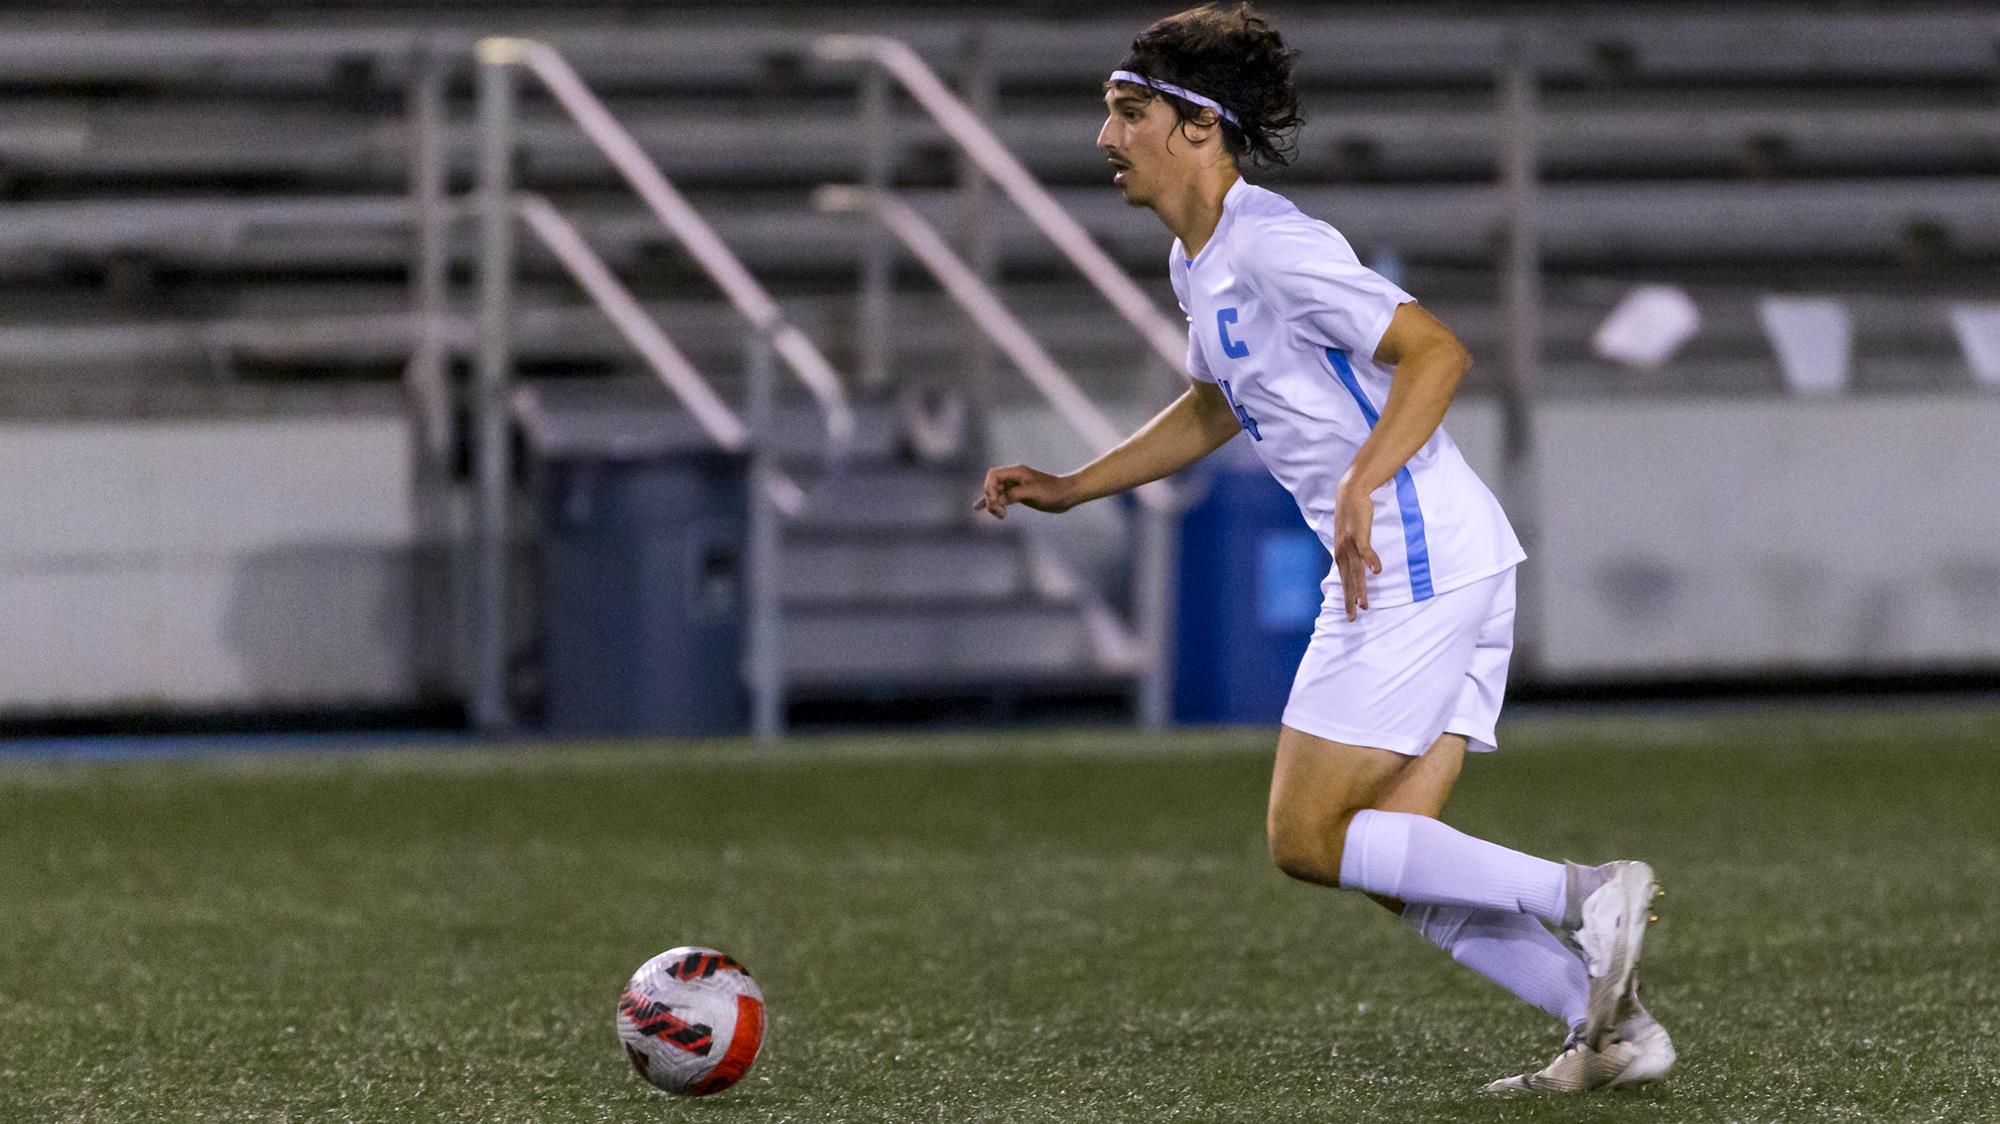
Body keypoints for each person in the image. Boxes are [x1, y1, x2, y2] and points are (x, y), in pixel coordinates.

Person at [974, 3, 1673, 1094]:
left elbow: (1435, 352)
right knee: (1390, 855)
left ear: (1199, 126)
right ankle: (1615, 1033)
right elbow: (1216, 404)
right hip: (1448, 556)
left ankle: (1583, 892)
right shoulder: (1196, 260)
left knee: (1306, 836)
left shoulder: (1275, 246)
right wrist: (1075, 484)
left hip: (1410, 560)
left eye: (1127, 111)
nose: (1104, 138)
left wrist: (1360, 479)